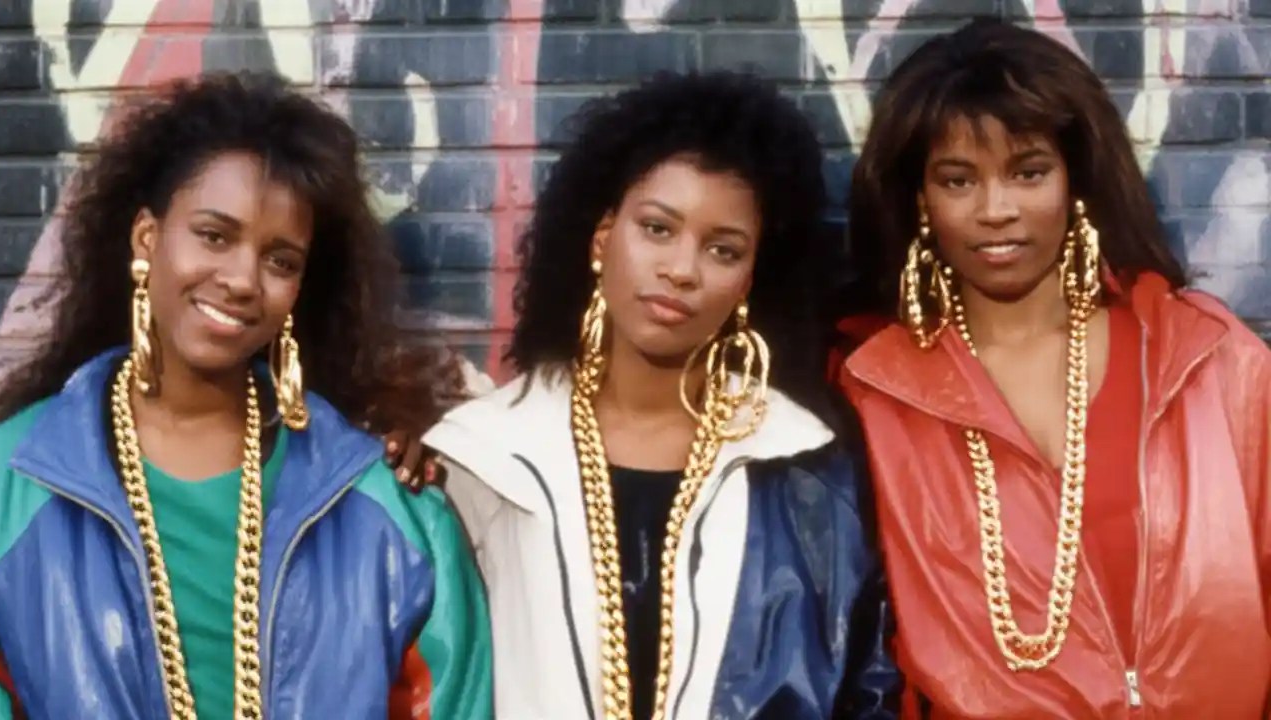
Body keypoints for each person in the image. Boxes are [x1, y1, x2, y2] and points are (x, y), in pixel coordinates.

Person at [0, 72, 491, 719]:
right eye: (214, 235)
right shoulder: (10, 482)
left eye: (280, 260)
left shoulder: (384, 504)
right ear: (147, 238)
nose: (242, 280)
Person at [407, 71, 900, 720]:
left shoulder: (805, 466)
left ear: (749, 280)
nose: (681, 270)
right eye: (658, 229)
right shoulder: (481, 459)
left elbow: (866, 690)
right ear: (602, 238)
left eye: (723, 250)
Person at [836, 17, 1271, 718]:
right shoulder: (875, 393)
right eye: (958, 180)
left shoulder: (1202, 356)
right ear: (920, 200)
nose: (996, 210)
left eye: (1028, 172)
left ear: (1074, 181)